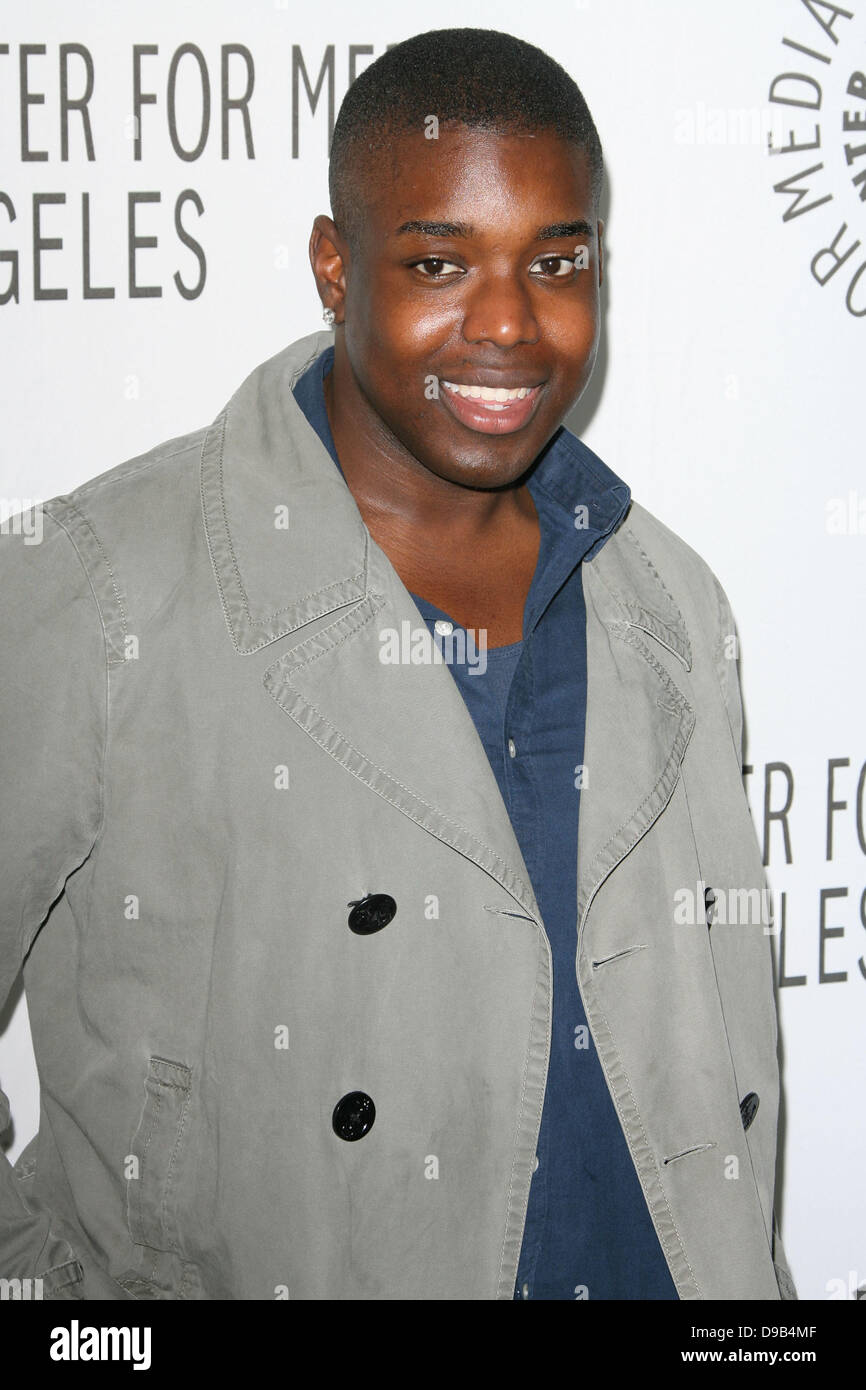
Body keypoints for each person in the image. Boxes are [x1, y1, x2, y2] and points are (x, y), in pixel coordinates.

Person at [0, 28, 795, 1301]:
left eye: (556, 261)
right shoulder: (102, 588)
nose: (507, 326)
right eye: (438, 261)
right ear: (334, 265)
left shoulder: (668, 597)